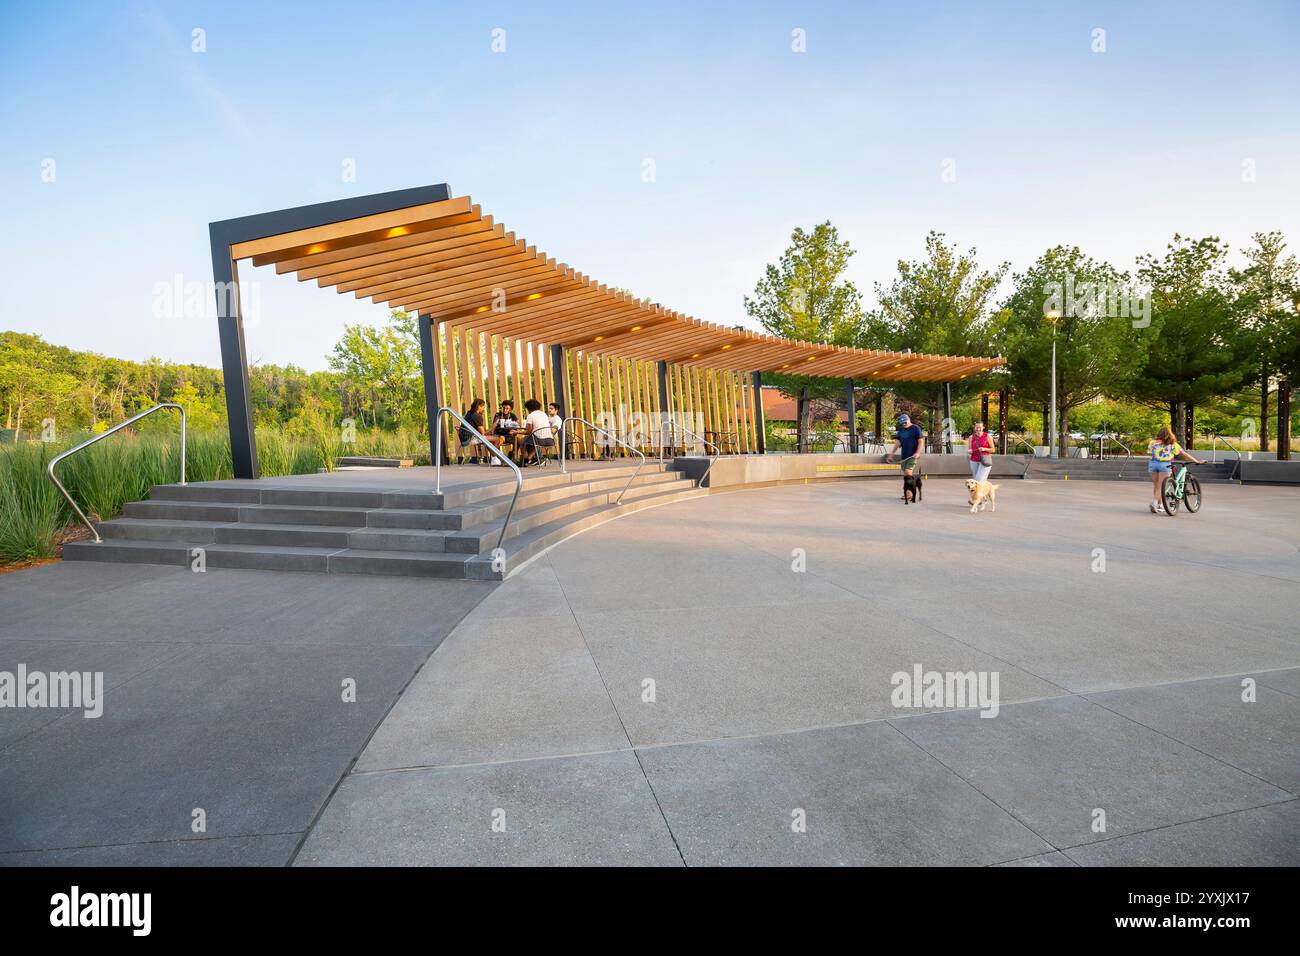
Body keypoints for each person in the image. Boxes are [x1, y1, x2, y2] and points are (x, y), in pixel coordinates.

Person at [1147, 425, 1205, 513]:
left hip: (1153, 464)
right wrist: (1197, 461)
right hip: (1165, 465)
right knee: (1161, 486)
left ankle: (1161, 505)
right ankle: (1154, 503)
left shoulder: (1153, 442)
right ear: (1170, 434)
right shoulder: (1172, 443)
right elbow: (1184, 454)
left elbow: (1149, 453)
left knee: (1157, 486)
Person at [885, 412, 924, 499]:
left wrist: (918, 452)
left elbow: (921, 442)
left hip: (912, 456)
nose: (904, 424)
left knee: (908, 472)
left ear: (909, 420)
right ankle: (910, 489)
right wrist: (892, 454)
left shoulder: (915, 428)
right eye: (902, 423)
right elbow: (898, 442)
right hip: (904, 456)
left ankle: (909, 493)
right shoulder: (901, 430)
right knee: (906, 475)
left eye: (905, 422)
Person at [519, 398, 556, 465]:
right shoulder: (544, 414)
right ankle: (528, 459)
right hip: (550, 440)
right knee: (535, 443)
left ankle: (524, 460)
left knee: (521, 441)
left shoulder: (530, 415)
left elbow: (528, 431)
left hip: (539, 440)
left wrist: (517, 432)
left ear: (528, 408)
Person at [458, 398, 489, 464]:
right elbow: (483, 433)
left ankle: (490, 459)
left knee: (490, 438)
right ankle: (495, 459)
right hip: (469, 440)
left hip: (463, 439)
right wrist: (493, 427)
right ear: (479, 407)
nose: (484, 409)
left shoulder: (469, 413)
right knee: (495, 438)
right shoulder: (477, 416)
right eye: (483, 407)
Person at [490, 400, 519, 466]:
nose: (505, 410)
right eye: (503, 408)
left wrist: (516, 424)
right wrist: (498, 422)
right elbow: (494, 425)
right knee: (500, 438)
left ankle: (512, 456)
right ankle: (501, 458)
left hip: (508, 435)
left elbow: (517, 424)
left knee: (518, 441)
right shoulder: (498, 415)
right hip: (499, 434)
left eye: (507, 408)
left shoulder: (512, 415)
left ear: (510, 409)